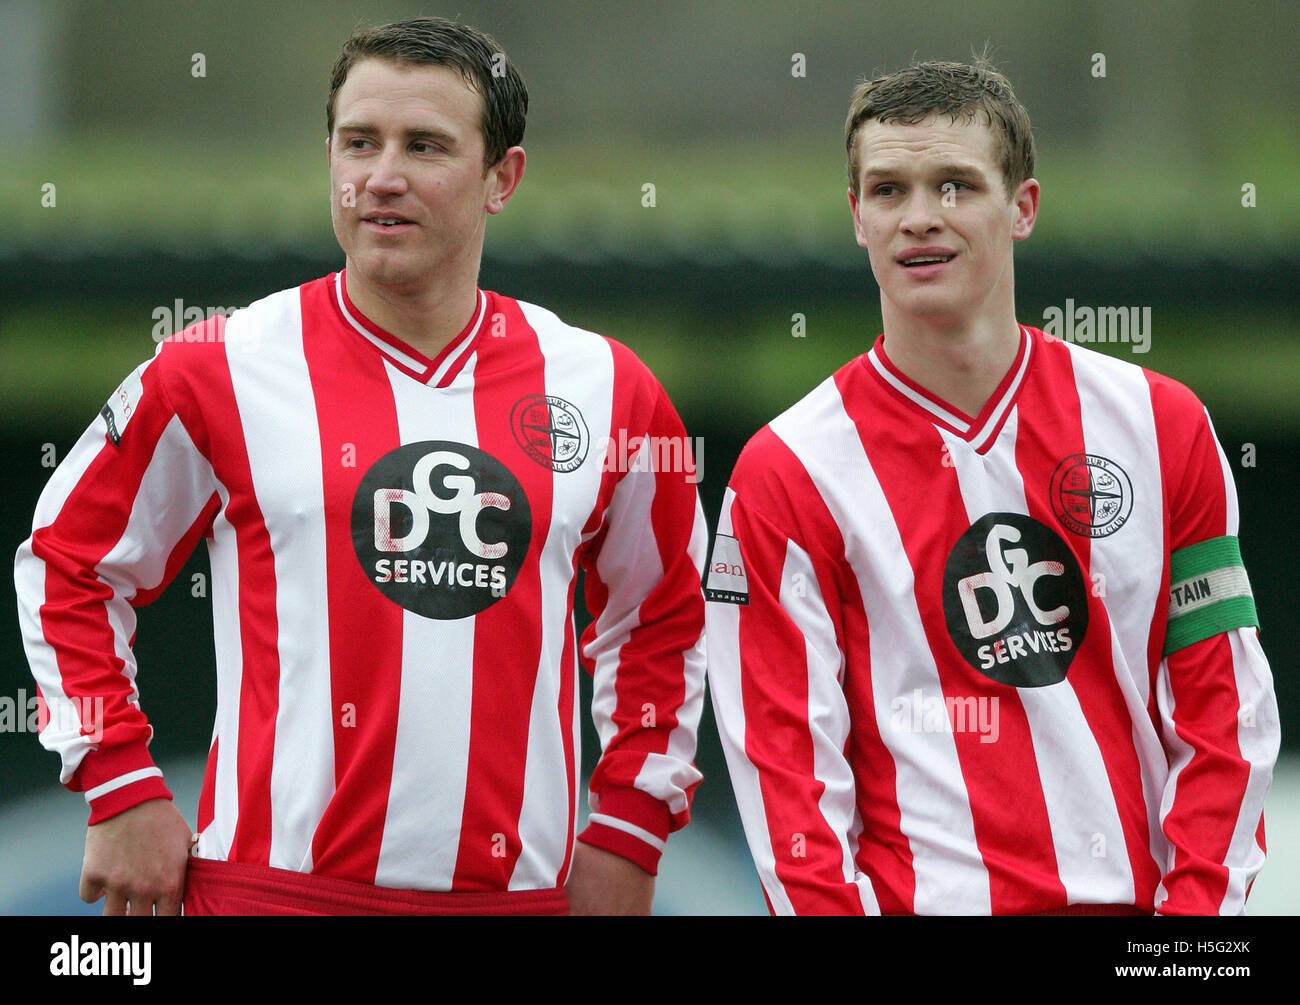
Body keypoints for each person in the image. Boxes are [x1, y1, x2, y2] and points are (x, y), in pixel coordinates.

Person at [14, 16, 707, 916]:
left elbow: (664, 614)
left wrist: (630, 828)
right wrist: (118, 781)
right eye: (359, 143)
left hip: (512, 901)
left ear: (504, 177)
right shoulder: (217, 365)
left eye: (425, 145)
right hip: (268, 895)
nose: (382, 176)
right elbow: (66, 560)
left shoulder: (608, 387)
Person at [704, 57, 1278, 915]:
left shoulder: (1162, 426)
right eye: (889, 190)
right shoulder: (786, 471)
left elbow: (1223, 718)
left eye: (956, 186)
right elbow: (785, 775)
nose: (920, 218)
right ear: (856, 217)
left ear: (1023, 207)